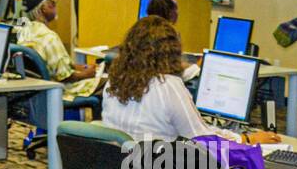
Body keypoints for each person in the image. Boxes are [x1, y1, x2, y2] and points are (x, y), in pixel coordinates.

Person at [103, 17, 279, 144]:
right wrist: (247, 138)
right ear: (170, 51)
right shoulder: (167, 86)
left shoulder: (115, 80)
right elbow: (202, 138)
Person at [13, 0, 100, 98]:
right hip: (61, 88)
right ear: (44, 8)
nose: (55, 6)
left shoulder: (24, 31)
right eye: (52, 3)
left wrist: (76, 67)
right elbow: (64, 77)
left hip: (39, 88)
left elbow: (53, 63)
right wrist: (87, 74)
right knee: (108, 83)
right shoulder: (50, 37)